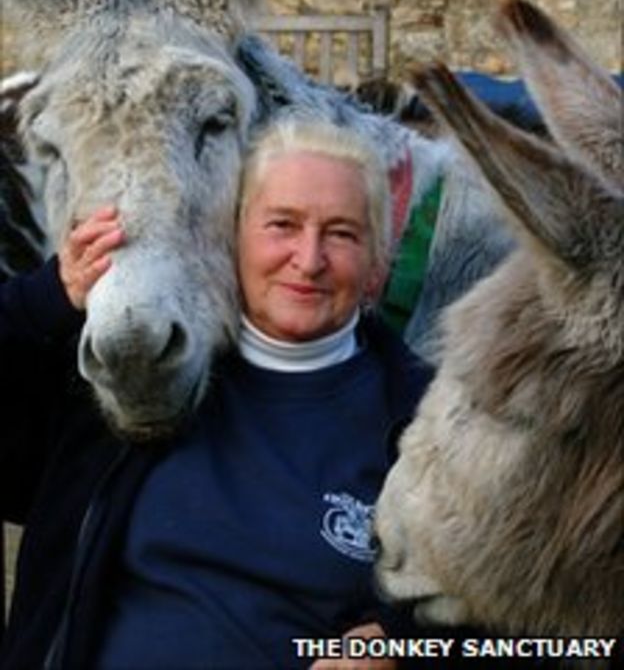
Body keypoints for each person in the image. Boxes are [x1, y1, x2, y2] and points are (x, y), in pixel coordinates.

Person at [0, 114, 435, 670]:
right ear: (232, 238)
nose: (309, 260)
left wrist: (401, 645)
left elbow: (524, 637)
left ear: (377, 264)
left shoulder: (433, 424)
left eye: (342, 233)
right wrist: (46, 298)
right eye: (282, 225)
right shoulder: (131, 375)